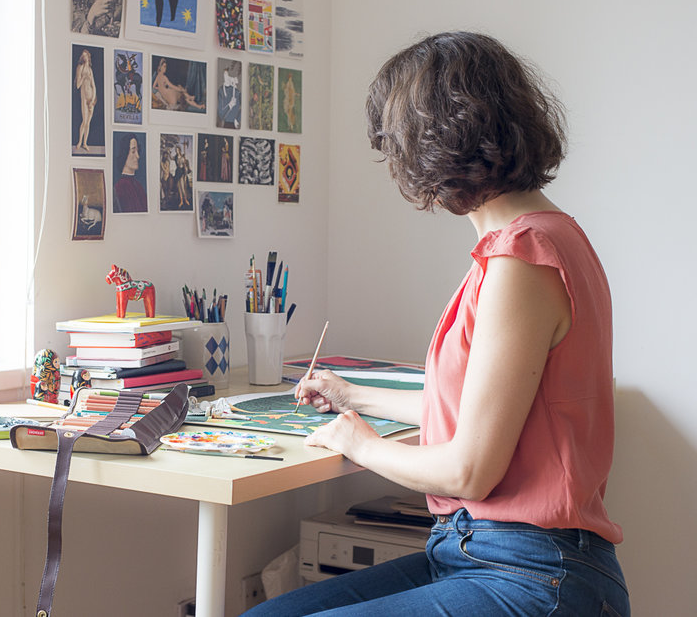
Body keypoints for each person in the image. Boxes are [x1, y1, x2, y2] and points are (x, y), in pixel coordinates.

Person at [242, 31, 630, 616]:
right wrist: (352, 395)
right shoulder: (541, 239)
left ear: (437, 142)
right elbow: (480, 413)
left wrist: (360, 444)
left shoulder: (522, 258)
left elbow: (468, 469)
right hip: (477, 554)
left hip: (534, 573)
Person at [113, 135, 147, 213]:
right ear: (124, 153)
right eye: (133, 152)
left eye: (137, 151)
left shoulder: (138, 185)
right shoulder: (120, 187)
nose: (137, 156)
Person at [74, 48, 97, 152]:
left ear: (88, 56)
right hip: (84, 97)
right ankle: (79, 141)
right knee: (84, 120)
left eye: (86, 55)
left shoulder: (90, 70)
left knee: (88, 122)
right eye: (83, 56)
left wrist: (93, 98)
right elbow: (78, 85)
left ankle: (85, 143)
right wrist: (83, 77)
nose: (84, 57)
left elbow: (94, 85)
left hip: (91, 97)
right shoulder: (80, 68)